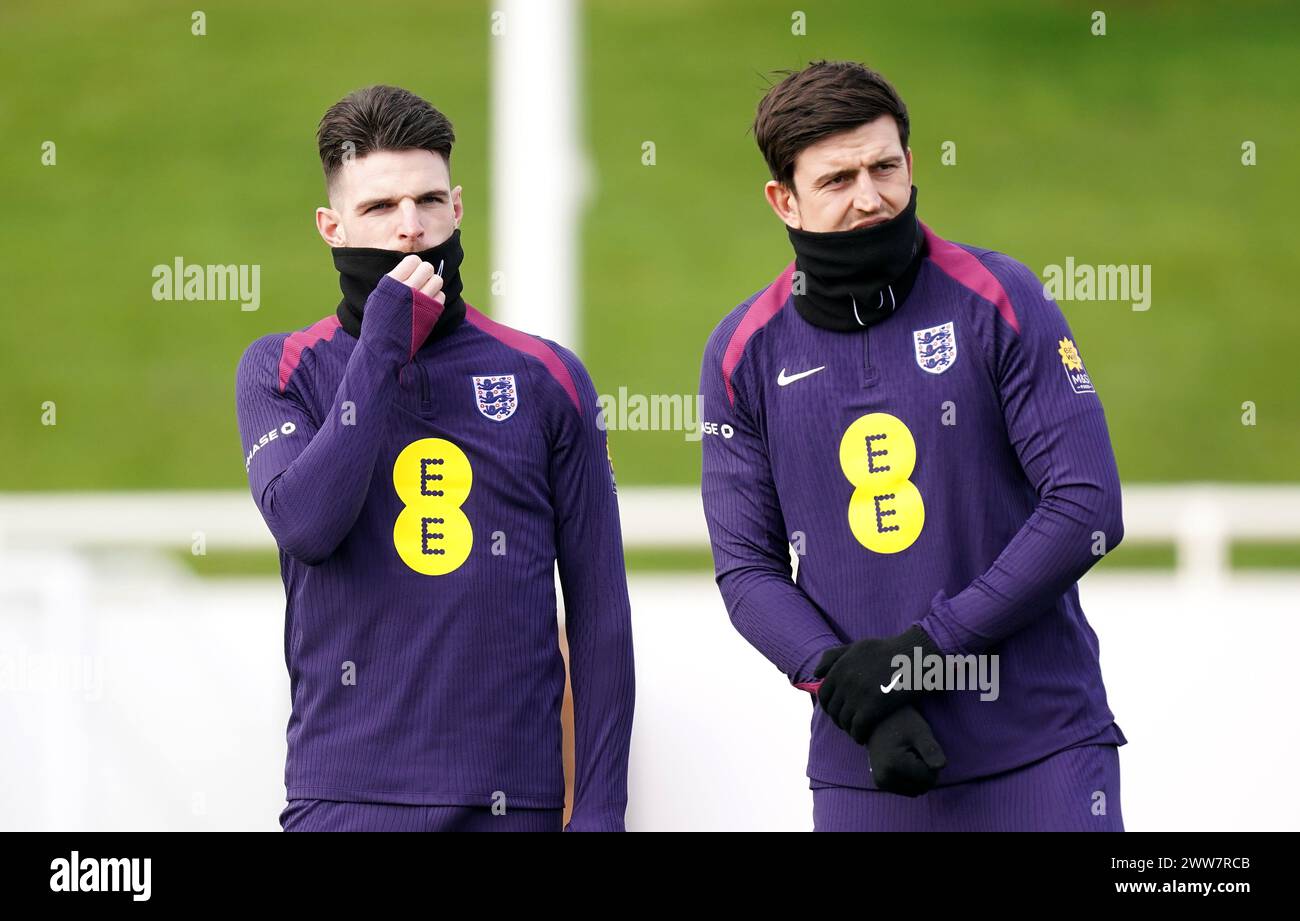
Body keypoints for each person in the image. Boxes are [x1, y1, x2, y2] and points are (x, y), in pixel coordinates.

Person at [699, 61, 1126, 831]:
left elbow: (1086, 502)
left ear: (911, 164)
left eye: (885, 167)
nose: (870, 198)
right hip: (866, 763)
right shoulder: (741, 350)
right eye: (837, 181)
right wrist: (844, 686)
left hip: (1042, 748)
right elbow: (747, 569)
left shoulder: (1001, 297)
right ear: (782, 200)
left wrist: (924, 652)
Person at [235, 85, 634, 832]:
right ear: (332, 226)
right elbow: (307, 524)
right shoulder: (280, 368)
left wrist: (603, 809)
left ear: (458, 207)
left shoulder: (547, 376)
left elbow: (601, 610)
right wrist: (385, 341)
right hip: (345, 800)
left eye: (427, 202)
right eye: (379, 209)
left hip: (515, 800)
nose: (410, 229)